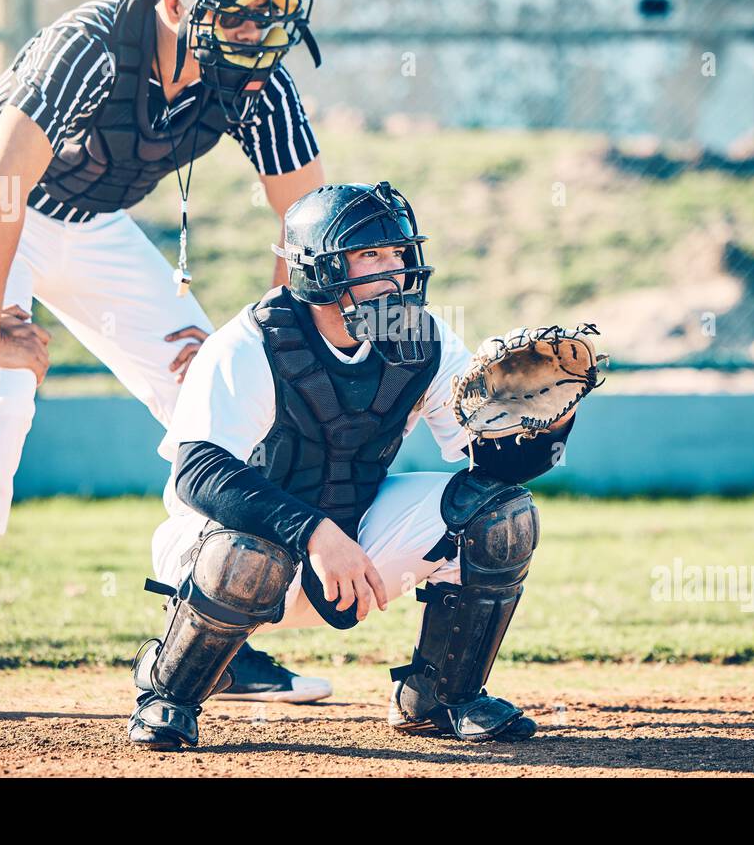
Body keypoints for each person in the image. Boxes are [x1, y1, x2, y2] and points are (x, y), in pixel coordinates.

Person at [0, 0, 330, 718]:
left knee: (223, 396)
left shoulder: (258, 84)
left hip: (91, 221)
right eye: (232, 17)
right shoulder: (93, 45)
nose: (250, 36)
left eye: (262, 19)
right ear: (176, 6)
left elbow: (306, 223)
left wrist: (254, 348)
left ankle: (208, 631)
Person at [126, 181, 577, 749]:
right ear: (319, 267)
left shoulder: (420, 339)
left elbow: (488, 463)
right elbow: (198, 472)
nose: (393, 272)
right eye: (371, 254)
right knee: (248, 551)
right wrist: (315, 533)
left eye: (399, 254)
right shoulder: (249, 344)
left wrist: (545, 426)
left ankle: (439, 696)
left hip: (352, 554)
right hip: (219, 563)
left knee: (501, 514)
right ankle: (168, 694)